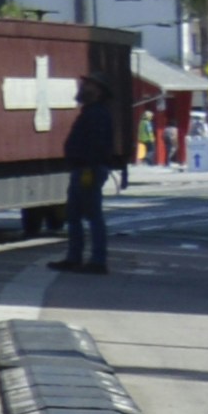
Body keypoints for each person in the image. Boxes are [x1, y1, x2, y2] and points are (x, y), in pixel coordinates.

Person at [59, 53, 131, 274]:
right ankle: (75, 257)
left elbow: (97, 144)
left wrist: (88, 166)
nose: (83, 86)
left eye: (88, 84)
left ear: (98, 91)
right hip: (83, 168)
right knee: (75, 216)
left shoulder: (97, 114)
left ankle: (97, 261)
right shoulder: (91, 112)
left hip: (88, 169)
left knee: (92, 215)